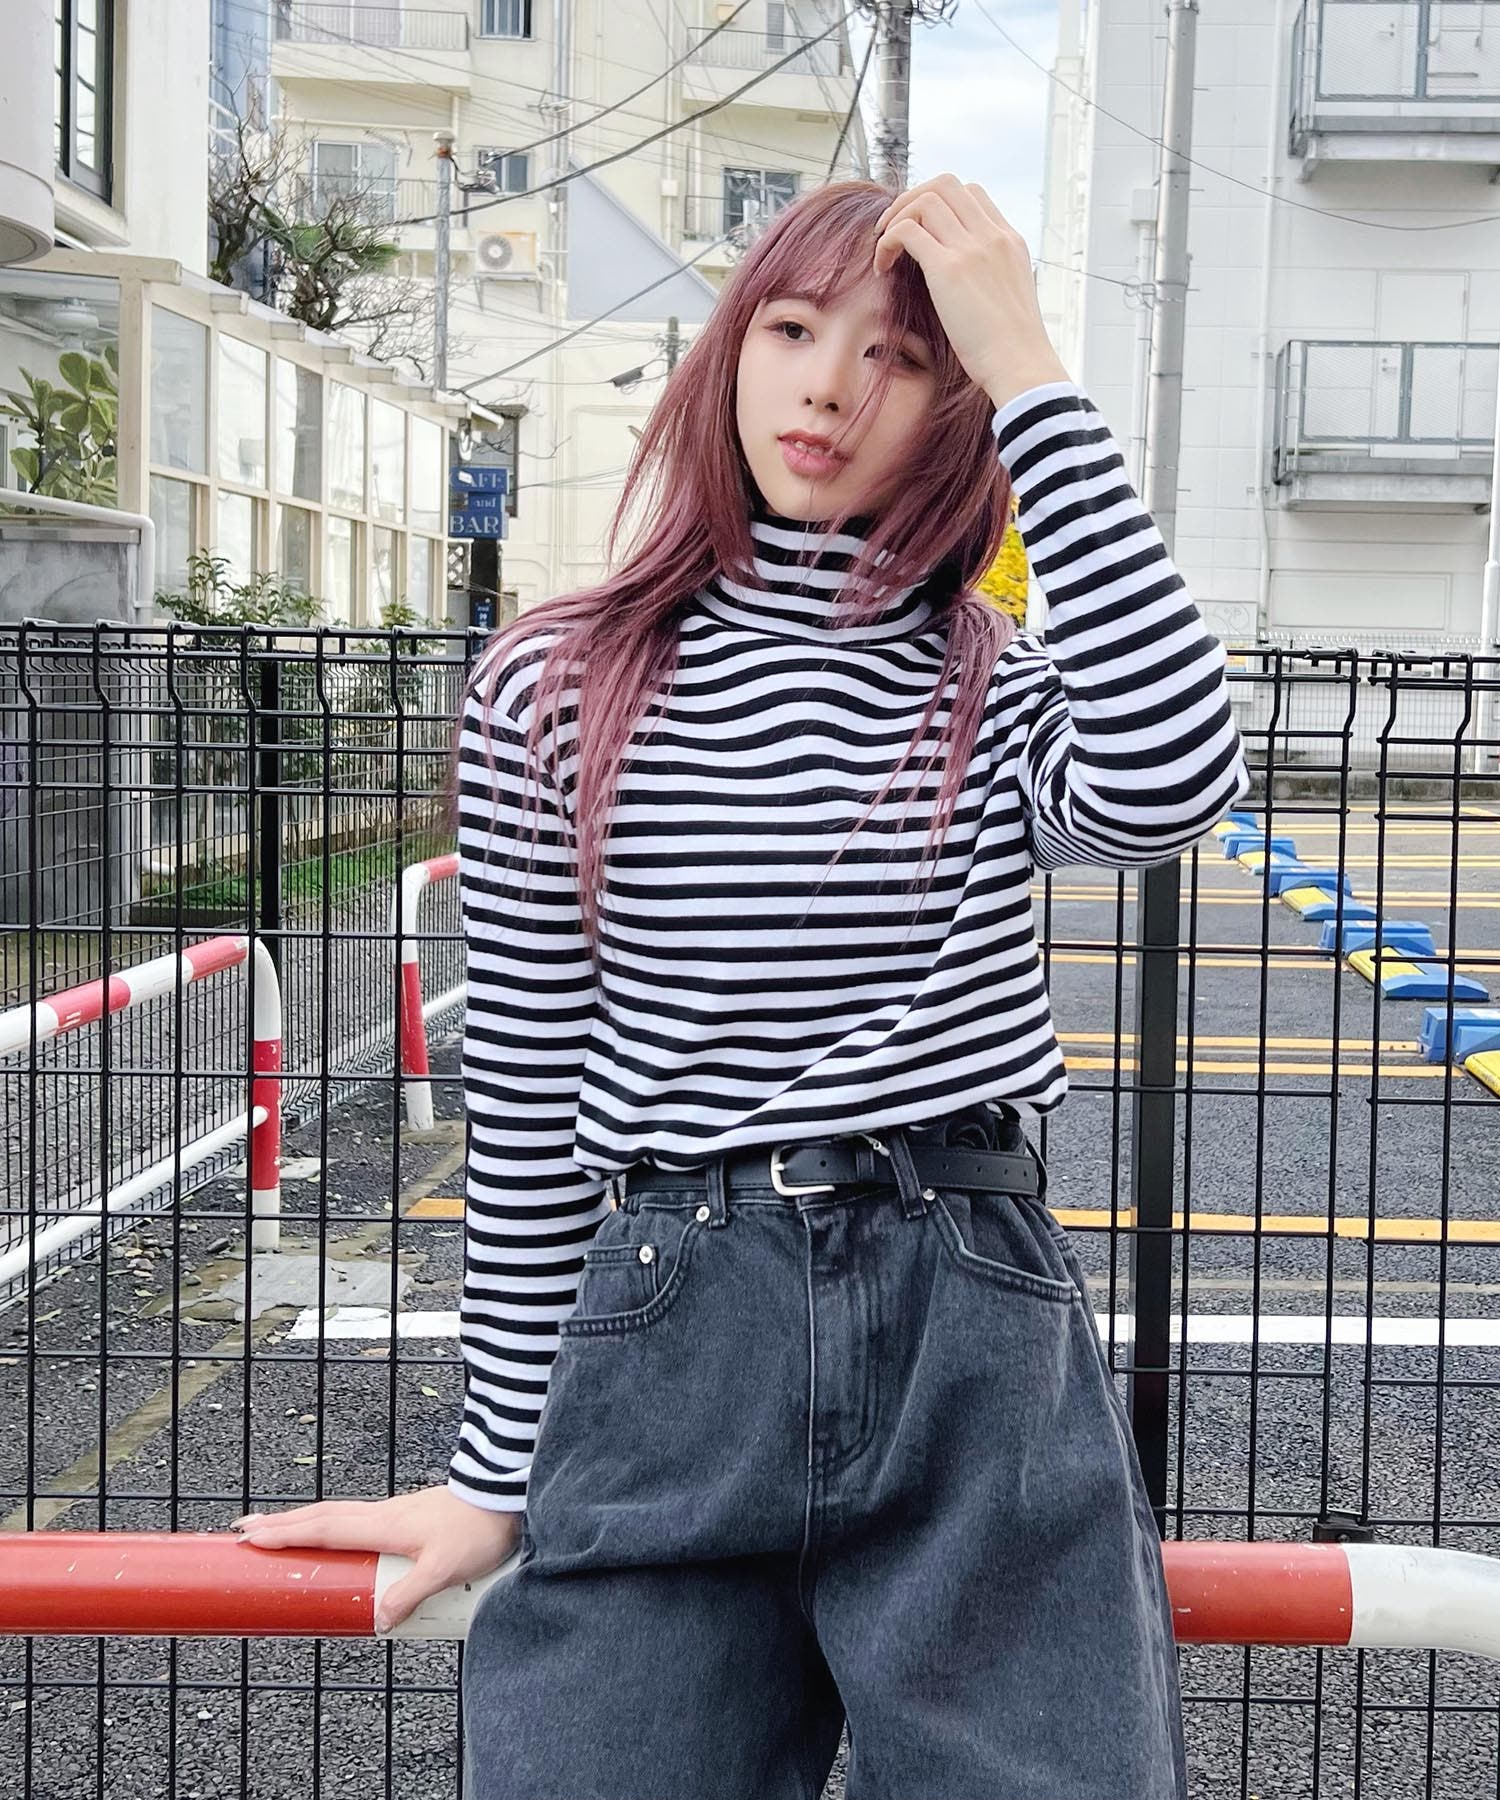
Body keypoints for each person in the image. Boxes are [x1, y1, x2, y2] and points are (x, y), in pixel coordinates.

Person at [231, 174, 1250, 1798]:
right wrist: (496, 1473)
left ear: (960, 407)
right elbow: (532, 1092)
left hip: (964, 1297)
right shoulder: (557, 681)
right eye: (790, 330)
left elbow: (1175, 781)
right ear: (729, 352)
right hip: (670, 1300)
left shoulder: (993, 687)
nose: (830, 387)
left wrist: (1031, 369)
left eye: (902, 356)